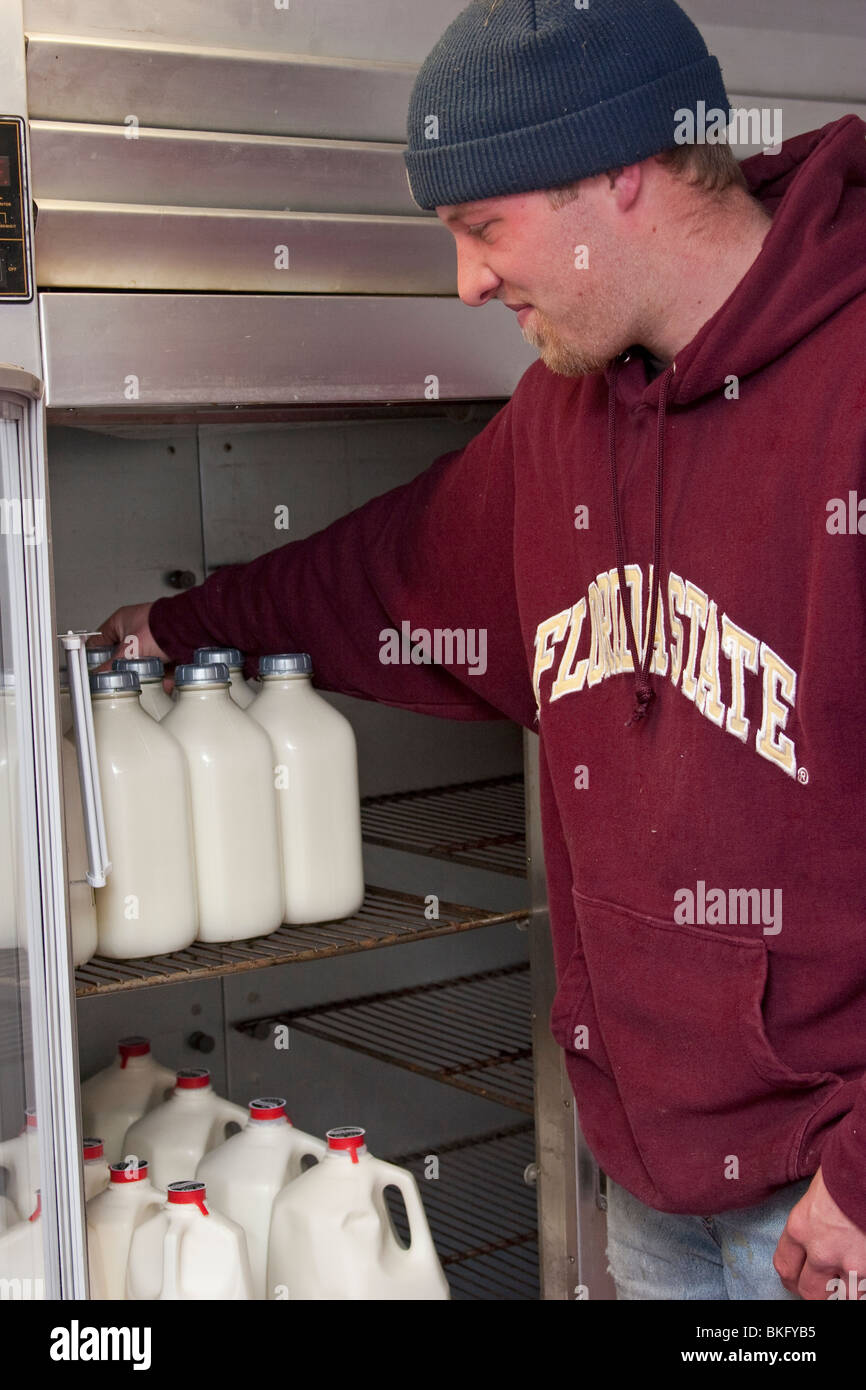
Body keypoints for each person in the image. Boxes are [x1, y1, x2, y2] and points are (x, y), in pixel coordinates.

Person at [94, 0, 866, 1301]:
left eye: (481, 227)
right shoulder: (560, 419)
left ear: (620, 173)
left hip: (829, 1203)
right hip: (656, 1188)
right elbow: (391, 572)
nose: (464, 282)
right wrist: (181, 624)